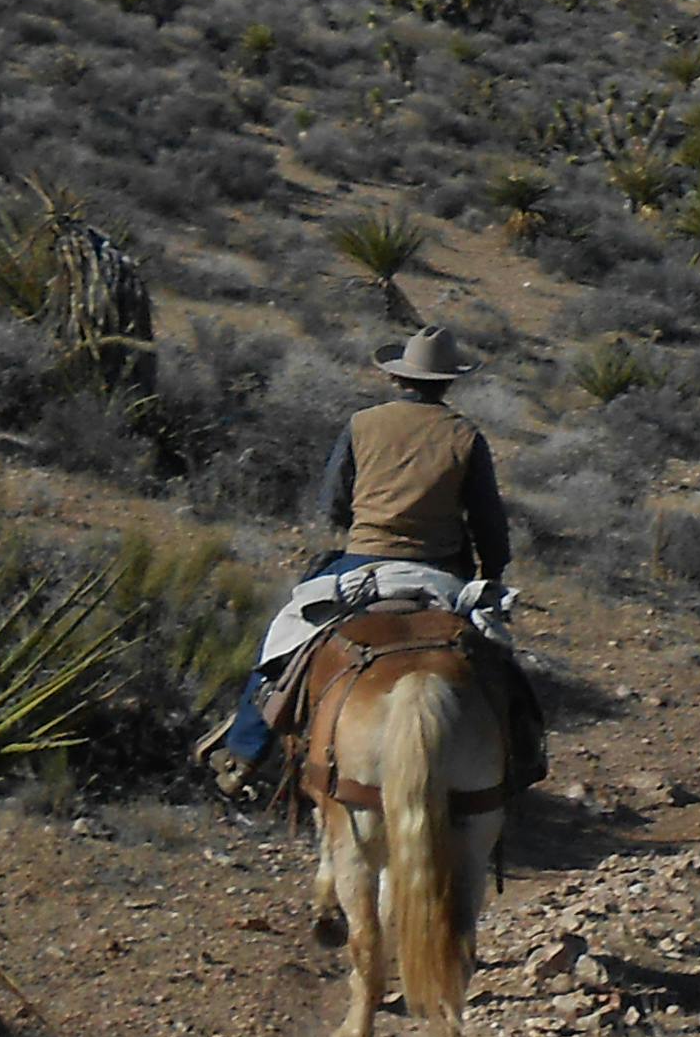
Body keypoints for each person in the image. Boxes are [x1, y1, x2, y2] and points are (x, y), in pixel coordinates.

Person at [208, 328, 516, 785]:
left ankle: (243, 754)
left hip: (361, 563)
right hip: (441, 571)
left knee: (285, 639)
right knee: (501, 668)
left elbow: (333, 503)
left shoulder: (362, 424)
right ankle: (518, 759)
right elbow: (488, 520)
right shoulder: (466, 437)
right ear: (447, 383)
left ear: (398, 378)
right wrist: (492, 570)